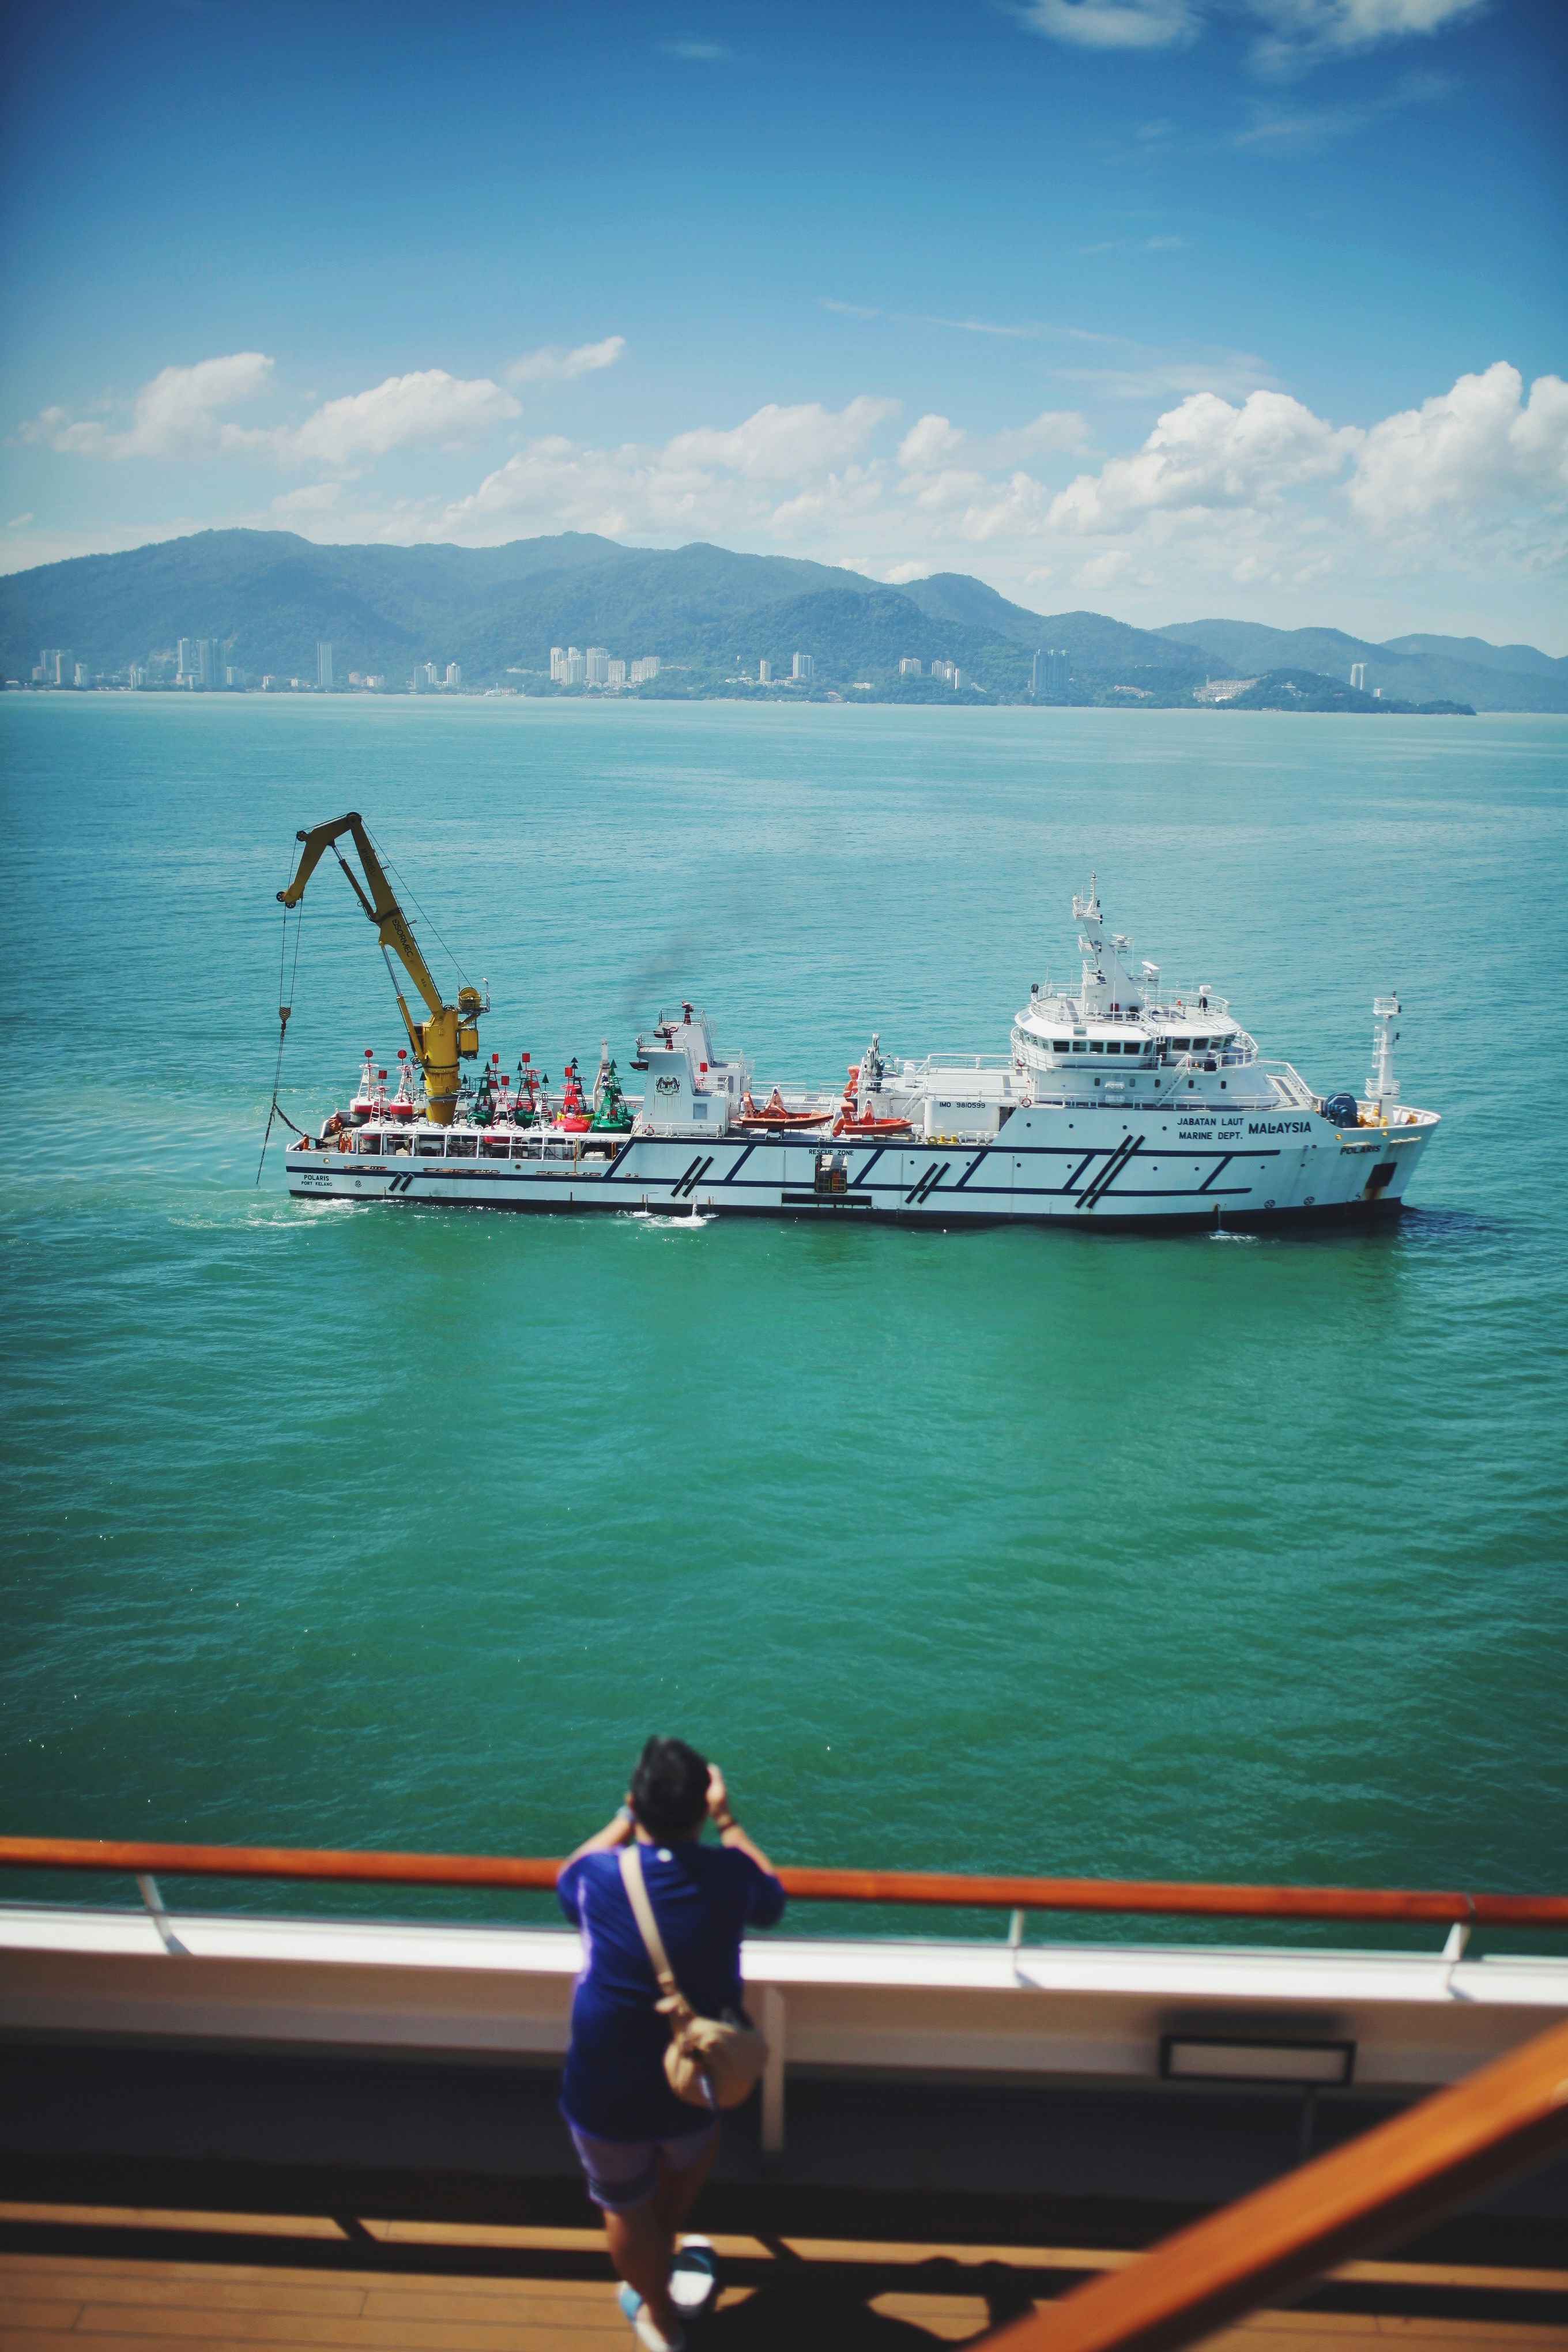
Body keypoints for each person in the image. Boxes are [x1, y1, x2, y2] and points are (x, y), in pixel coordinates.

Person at [557, 1739, 785, 2352]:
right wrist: (728, 1819)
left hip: (602, 2081)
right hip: (692, 2071)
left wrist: (622, 1818)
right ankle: (659, 2300)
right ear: (700, 1810)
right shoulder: (729, 1875)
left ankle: (654, 2302)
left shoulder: (599, 1878)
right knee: (694, 2152)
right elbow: (772, 1896)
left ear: (636, 1804)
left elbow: (564, 1876)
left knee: (622, 2204)